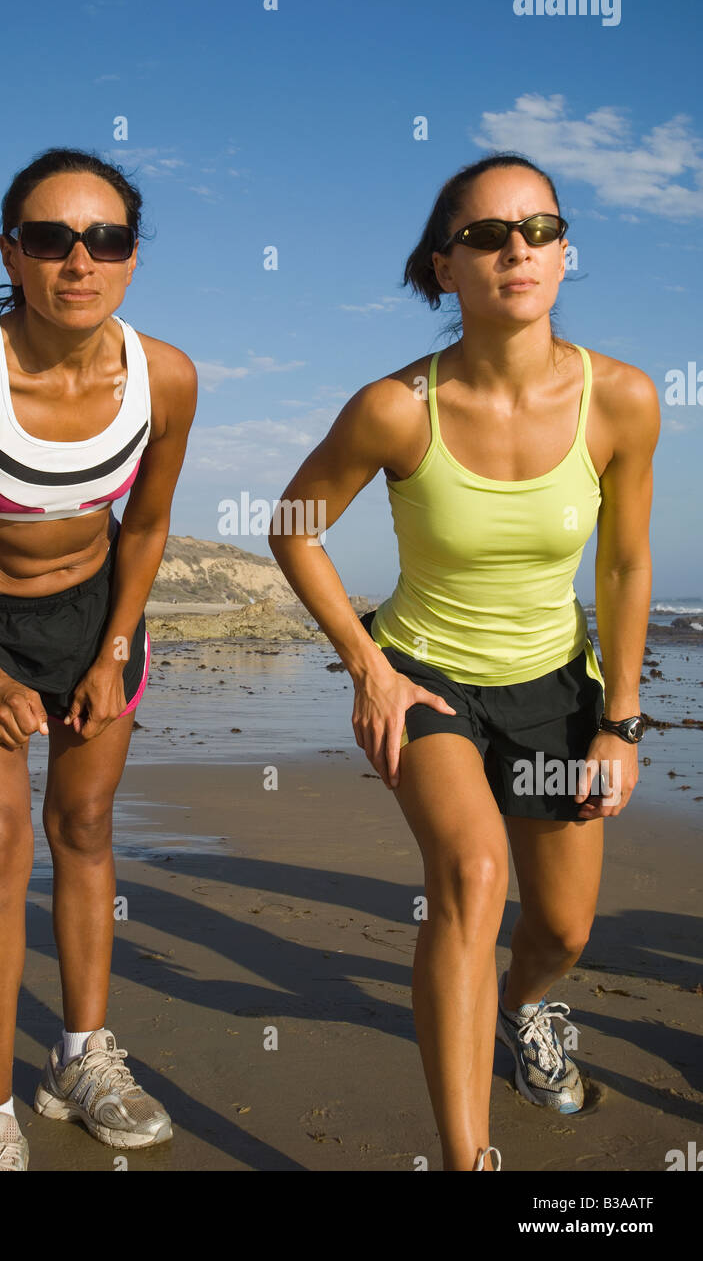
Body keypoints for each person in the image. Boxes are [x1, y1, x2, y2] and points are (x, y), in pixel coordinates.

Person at [268, 152, 659, 1171]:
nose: (515, 249)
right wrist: (366, 665)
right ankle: (463, 1159)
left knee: (562, 931)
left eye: (537, 227)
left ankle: (524, 1008)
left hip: (553, 692)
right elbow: (294, 526)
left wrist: (617, 721)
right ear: (442, 267)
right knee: (472, 878)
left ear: (565, 251)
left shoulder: (619, 401)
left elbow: (621, 563)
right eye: (484, 234)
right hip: (426, 680)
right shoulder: (395, 406)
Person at [0, 147, 197, 1171]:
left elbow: (144, 530)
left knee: (86, 824)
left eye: (103, 240)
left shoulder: (167, 379)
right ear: (11, 250)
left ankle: (79, 1060)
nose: (78, 260)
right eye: (51, 238)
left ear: (131, 259)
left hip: (97, 618)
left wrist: (110, 652)